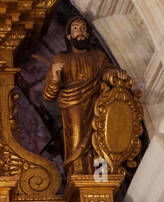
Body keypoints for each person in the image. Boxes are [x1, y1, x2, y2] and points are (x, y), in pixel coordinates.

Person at [42, 15, 130, 175]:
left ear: (88, 34)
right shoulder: (61, 59)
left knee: (100, 139)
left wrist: (116, 74)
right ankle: (79, 174)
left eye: (83, 29)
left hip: (98, 102)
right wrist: (55, 78)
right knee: (77, 141)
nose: (80, 32)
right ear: (69, 36)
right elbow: (48, 95)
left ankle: (101, 174)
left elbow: (107, 72)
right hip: (73, 105)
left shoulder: (98, 57)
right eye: (75, 29)